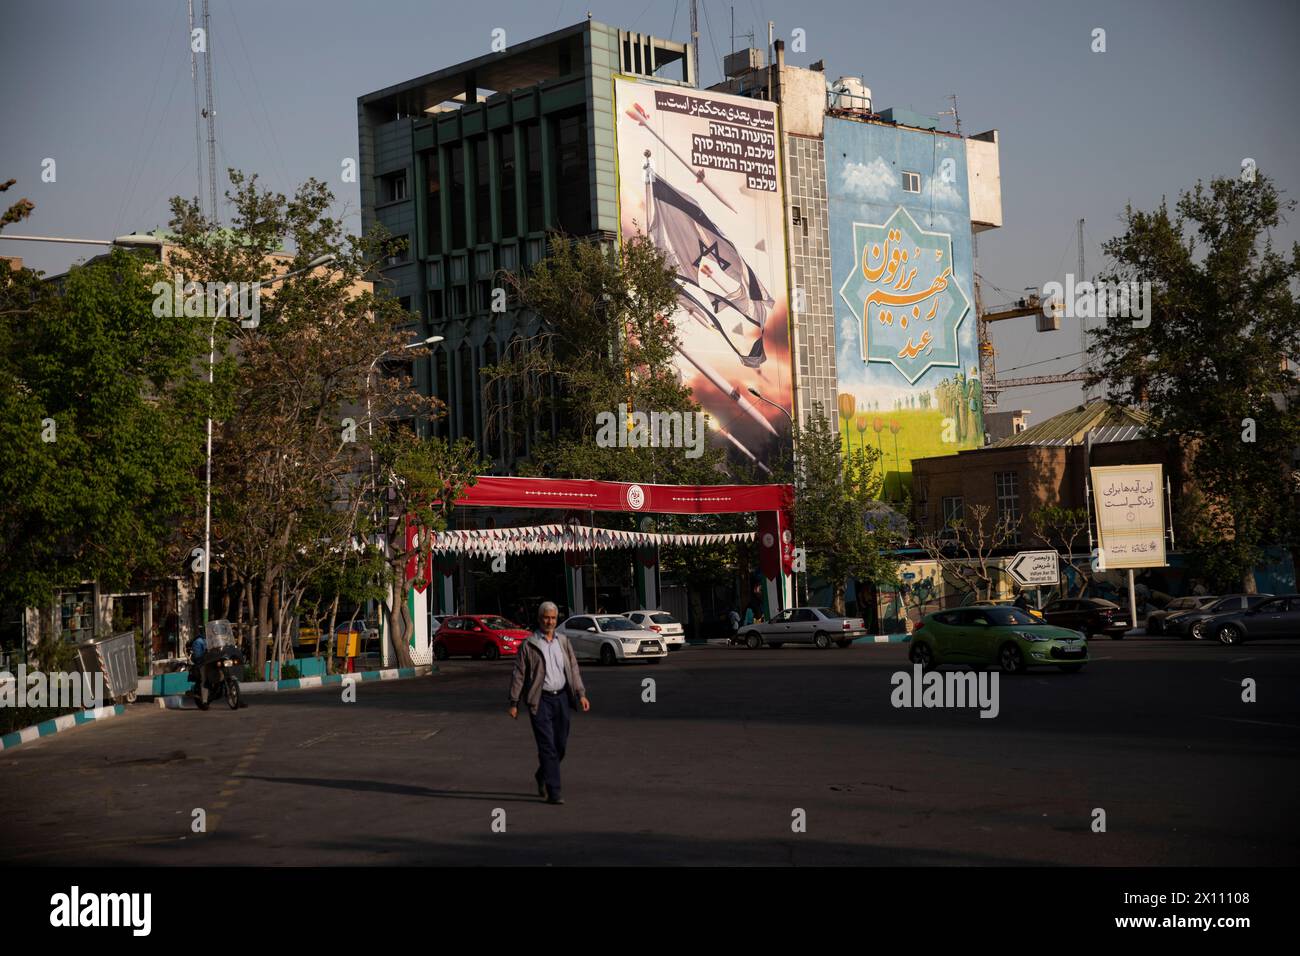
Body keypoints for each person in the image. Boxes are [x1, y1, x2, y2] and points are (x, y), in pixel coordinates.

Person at [508, 601, 590, 805]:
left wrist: (581, 693)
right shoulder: (530, 644)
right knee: (548, 747)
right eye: (546, 617)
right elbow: (519, 674)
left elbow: (573, 667)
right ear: (539, 619)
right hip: (540, 700)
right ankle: (554, 791)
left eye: (553, 617)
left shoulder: (563, 641)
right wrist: (514, 702)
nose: (549, 621)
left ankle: (542, 774)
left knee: (560, 746)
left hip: (562, 698)